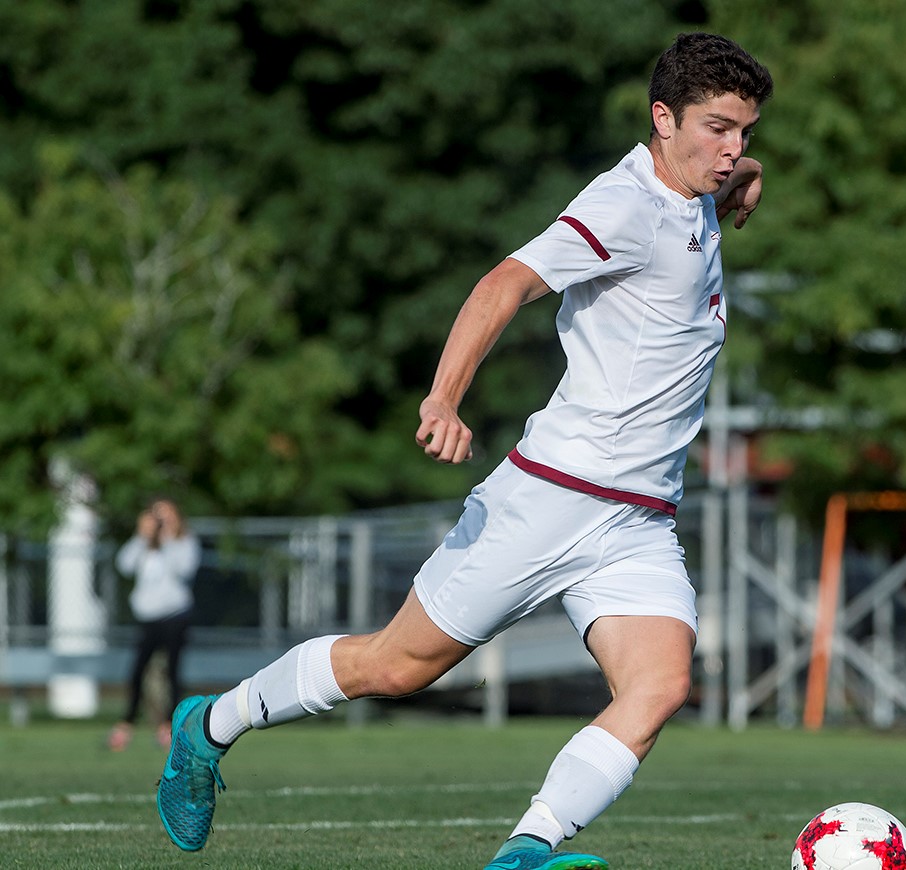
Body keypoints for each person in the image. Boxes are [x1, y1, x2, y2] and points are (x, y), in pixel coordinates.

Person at [152, 32, 773, 870]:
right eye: (716, 128)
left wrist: (737, 177)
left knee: (660, 686)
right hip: (550, 497)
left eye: (745, 132)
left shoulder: (700, 183)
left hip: (638, 521)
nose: (732, 149)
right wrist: (443, 398)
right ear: (662, 119)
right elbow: (503, 283)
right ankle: (209, 726)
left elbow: (713, 180)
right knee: (394, 668)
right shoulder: (623, 206)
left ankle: (527, 852)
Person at [109, 498, 201, 752]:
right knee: (137, 671)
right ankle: (126, 723)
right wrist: (142, 536)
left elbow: (184, 569)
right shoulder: (145, 546)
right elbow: (124, 565)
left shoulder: (183, 541)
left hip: (174, 615)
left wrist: (168, 537)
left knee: (172, 672)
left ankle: (170, 727)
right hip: (147, 618)